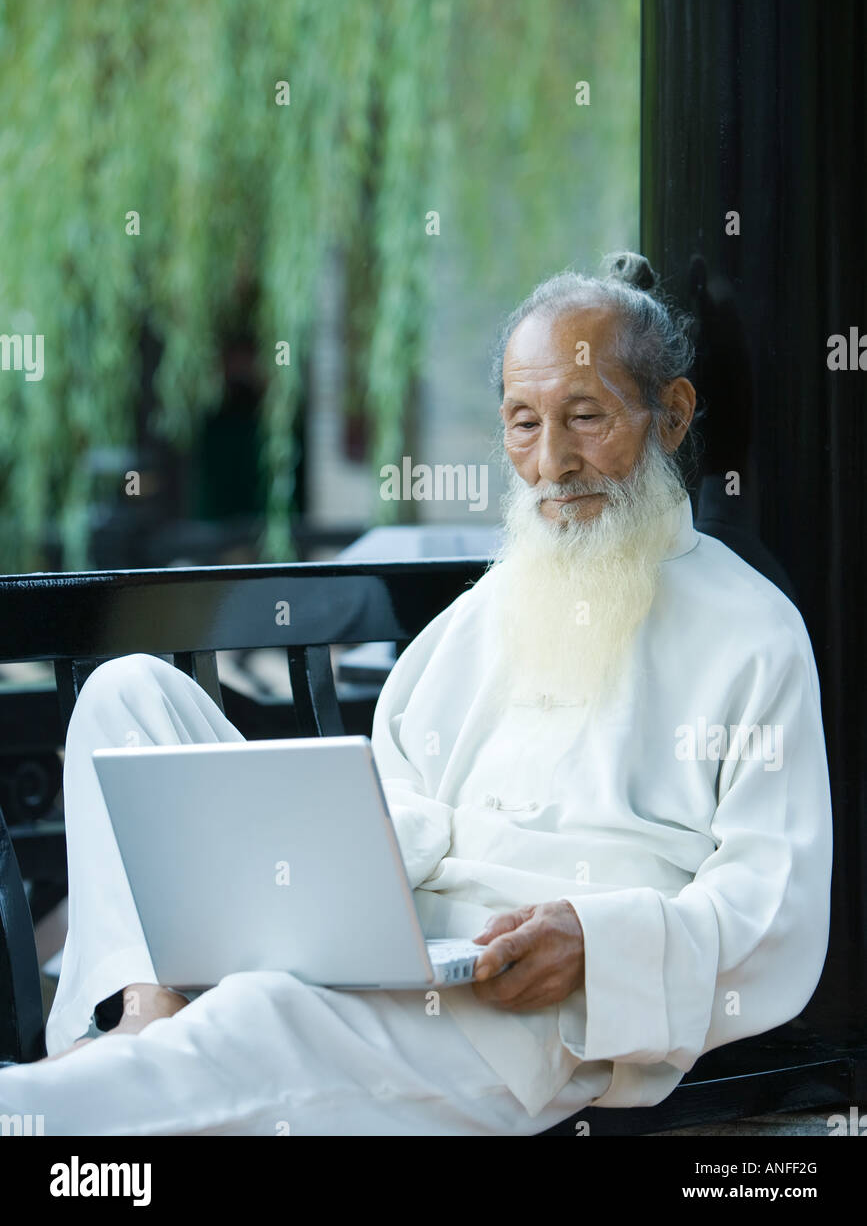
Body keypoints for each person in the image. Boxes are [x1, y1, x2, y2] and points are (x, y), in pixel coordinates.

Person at [0, 252, 832, 1135]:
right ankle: (143, 1019)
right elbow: (397, 795)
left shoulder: (752, 631)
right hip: (393, 939)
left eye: (584, 417)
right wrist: (327, 884)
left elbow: (771, 906)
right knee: (127, 695)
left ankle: (40, 1110)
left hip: (527, 1004)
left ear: (669, 416)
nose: (550, 462)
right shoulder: (489, 610)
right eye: (521, 423)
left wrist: (597, 943)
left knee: (264, 1021)